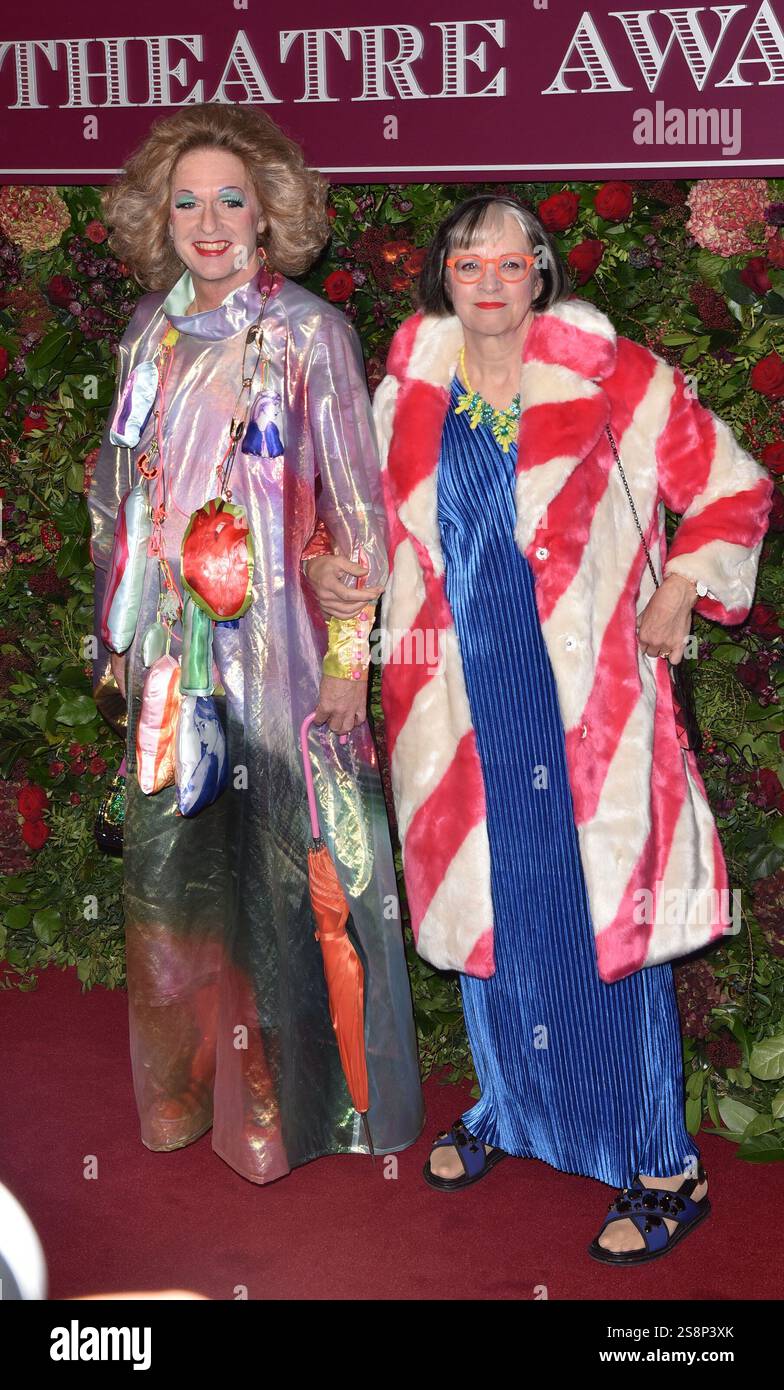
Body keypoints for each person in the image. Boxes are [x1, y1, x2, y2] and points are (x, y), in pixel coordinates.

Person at [372, 193, 773, 1263]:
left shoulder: (612, 375)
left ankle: (660, 1164)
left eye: (512, 263)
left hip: (588, 708)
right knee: (495, 912)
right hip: (458, 705)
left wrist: (682, 587)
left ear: (541, 273)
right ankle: (509, 1107)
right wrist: (336, 599)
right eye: (469, 264)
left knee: (607, 925)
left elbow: (732, 484)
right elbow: (367, 545)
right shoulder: (406, 390)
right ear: (443, 278)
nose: (491, 282)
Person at [87, 103, 423, 1185]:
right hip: (171, 666)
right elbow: (116, 503)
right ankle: (186, 1098)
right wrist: (119, 637)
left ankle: (300, 1112)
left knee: (295, 879)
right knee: (176, 878)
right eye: (185, 200)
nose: (209, 220)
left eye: (232, 197)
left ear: (271, 214)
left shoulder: (313, 334)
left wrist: (343, 669)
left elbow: (361, 520)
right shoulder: (149, 330)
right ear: (158, 217)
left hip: (279, 657)